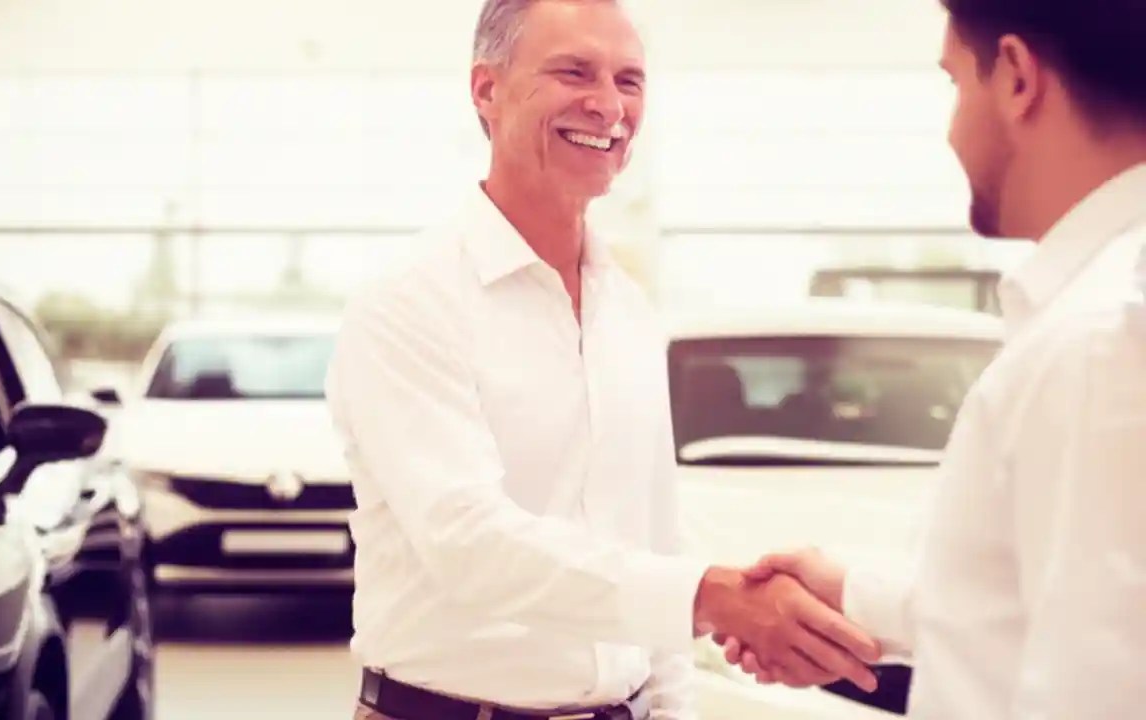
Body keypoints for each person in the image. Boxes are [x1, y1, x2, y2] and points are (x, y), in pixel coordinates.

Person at [325, 1, 882, 718]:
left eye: (630, 80)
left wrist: (673, 704)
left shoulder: (628, 310)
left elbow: (652, 530)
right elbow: (469, 544)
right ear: (486, 90)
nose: (608, 105)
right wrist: (714, 598)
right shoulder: (408, 303)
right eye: (573, 72)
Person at [727, 1, 1146, 717]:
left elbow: (1102, 685)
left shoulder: (1101, 338)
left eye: (955, 84)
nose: (951, 132)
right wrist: (852, 593)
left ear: (1016, 77)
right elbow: (1044, 604)